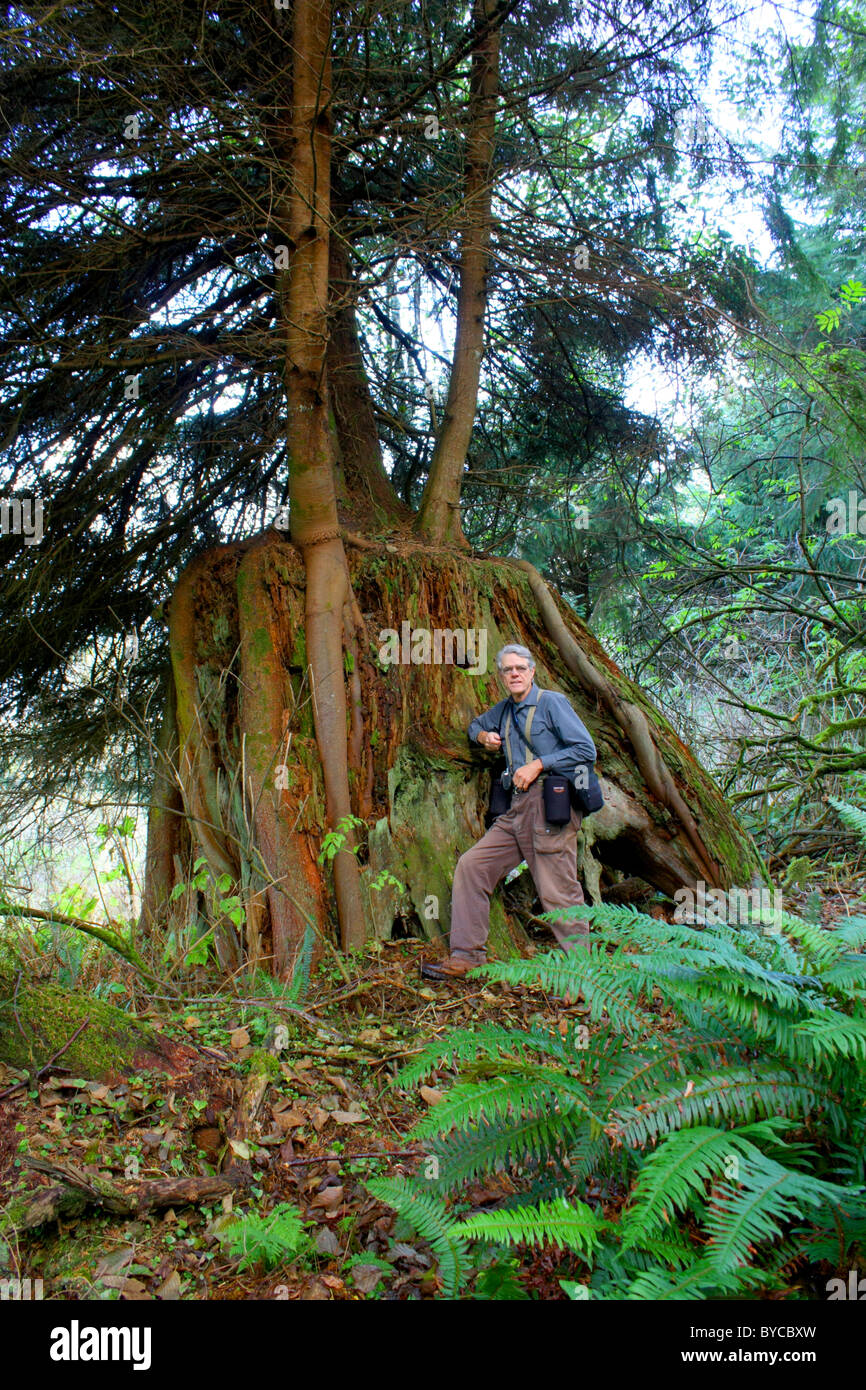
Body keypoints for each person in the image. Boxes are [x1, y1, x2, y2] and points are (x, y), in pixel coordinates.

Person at [421, 644, 596, 982]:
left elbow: (586, 749)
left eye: (520, 668)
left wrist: (539, 764)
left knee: (557, 891)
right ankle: (467, 956)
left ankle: (584, 977)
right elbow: (474, 726)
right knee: (473, 866)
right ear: (501, 676)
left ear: (532, 672)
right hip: (515, 808)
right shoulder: (503, 710)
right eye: (507, 670)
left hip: (548, 805)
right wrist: (484, 735)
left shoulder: (552, 703)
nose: (514, 674)